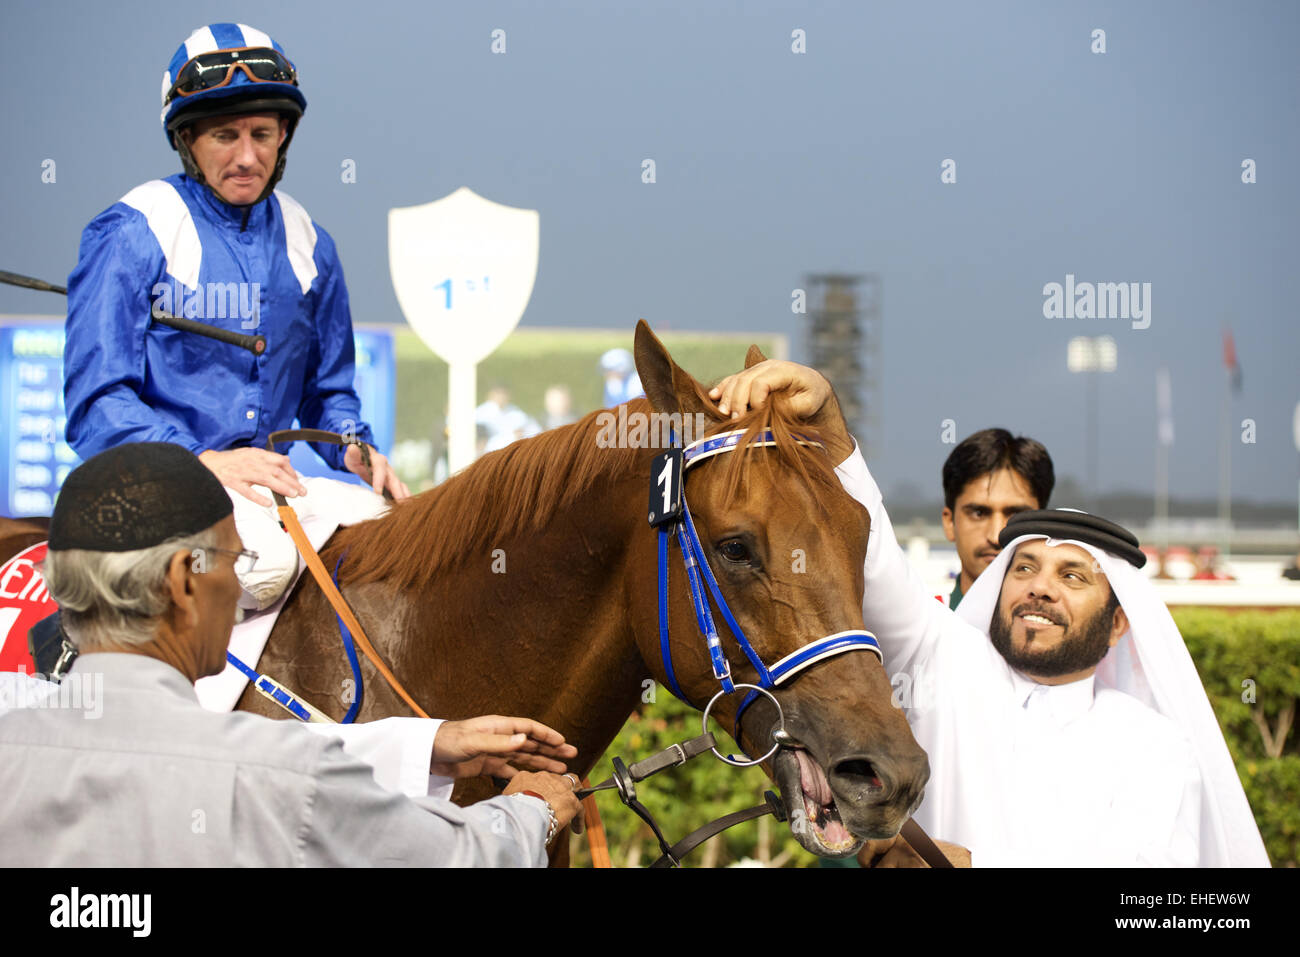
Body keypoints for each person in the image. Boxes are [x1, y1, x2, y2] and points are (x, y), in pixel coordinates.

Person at [709, 360, 1269, 867]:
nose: (1040, 589)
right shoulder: (947, 658)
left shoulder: (1155, 746)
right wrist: (829, 419)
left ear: (1118, 623)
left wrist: (972, 866)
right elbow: (875, 551)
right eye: (1022, 569)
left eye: (1071, 576)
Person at [0, 442, 583, 866]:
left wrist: (423, 744)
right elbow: (461, 858)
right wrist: (532, 809)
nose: (237, 587)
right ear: (183, 580)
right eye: (235, 562)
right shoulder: (278, 775)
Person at [62, 23, 408, 612]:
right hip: (154, 485)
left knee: (391, 536)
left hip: (266, 489)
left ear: (284, 138)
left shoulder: (310, 243)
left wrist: (355, 450)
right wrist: (208, 461)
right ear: (188, 139)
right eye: (225, 135)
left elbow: (328, 396)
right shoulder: (131, 231)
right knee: (266, 565)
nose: (248, 157)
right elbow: (96, 405)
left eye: (262, 135)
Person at [940, 429, 1054, 608]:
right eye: (979, 513)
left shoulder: (1073, 634)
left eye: (1016, 515)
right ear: (949, 522)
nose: (995, 536)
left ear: (1043, 527)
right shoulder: (908, 633)